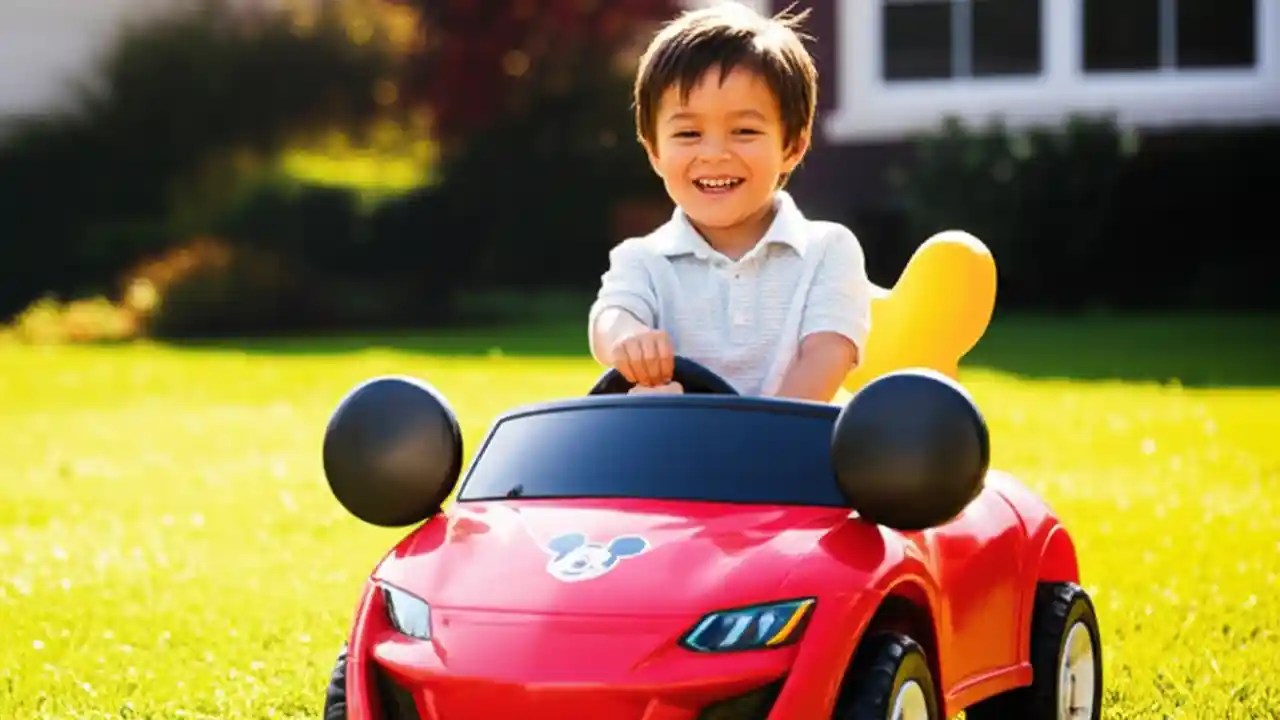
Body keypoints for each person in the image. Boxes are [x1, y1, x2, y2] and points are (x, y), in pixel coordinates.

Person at [588, 1, 872, 402]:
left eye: (744, 131)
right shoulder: (642, 261)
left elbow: (826, 355)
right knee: (648, 401)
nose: (714, 154)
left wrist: (765, 435)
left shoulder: (827, 251)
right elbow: (610, 316)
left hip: (790, 437)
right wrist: (628, 336)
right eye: (688, 134)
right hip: (681, 439)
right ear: (654, 151)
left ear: (792, 146)